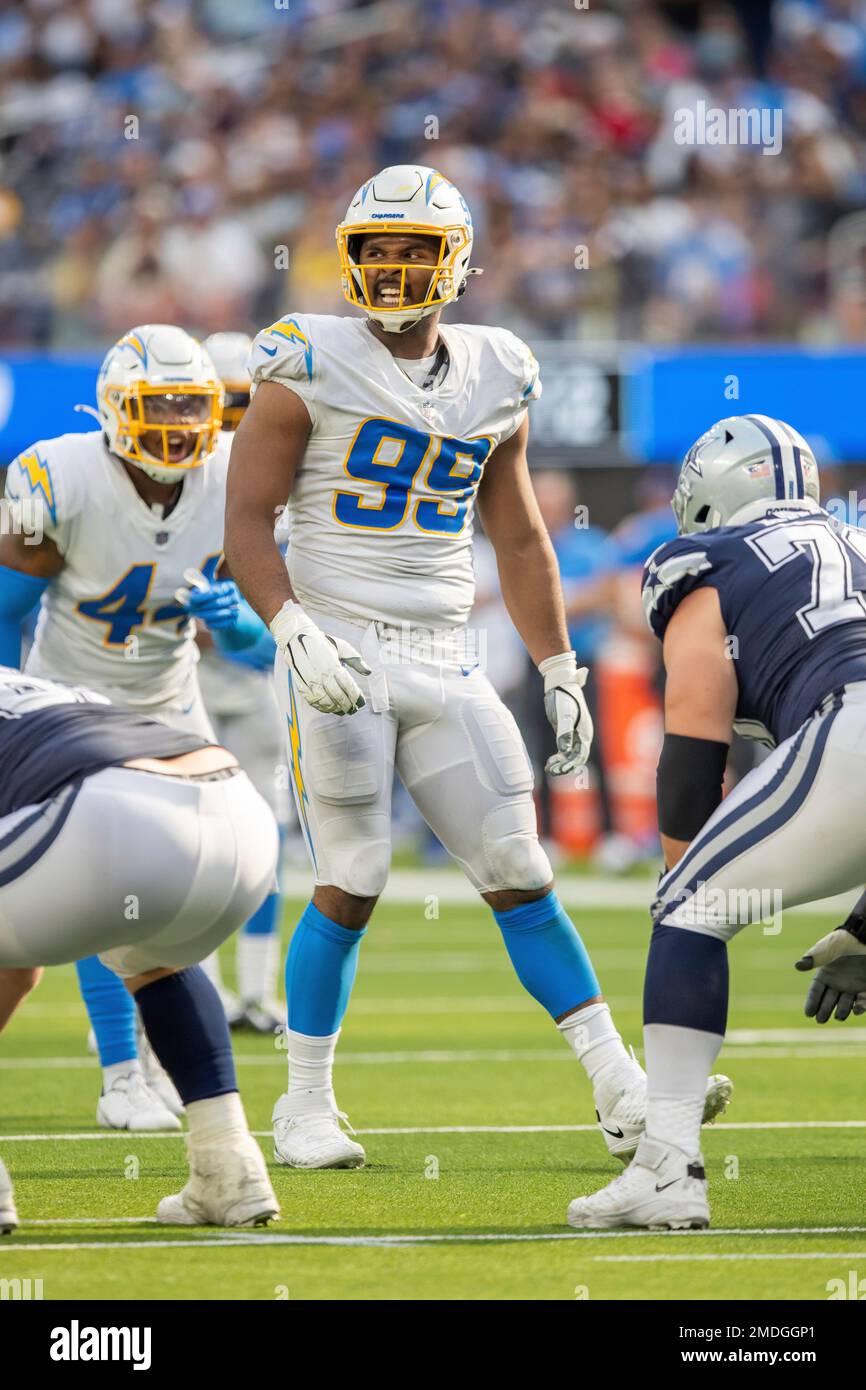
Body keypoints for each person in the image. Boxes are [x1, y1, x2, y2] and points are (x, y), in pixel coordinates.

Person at [224, 164, 731, 1171]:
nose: (393, 267)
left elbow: (520, 536)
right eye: (375, 250)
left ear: (452, 259)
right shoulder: (304, 357)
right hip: (338, 646)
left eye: (414, 249)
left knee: (517, 866)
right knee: (355, 871)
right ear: (348, 259)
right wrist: (290, 629)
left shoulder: (498, 367)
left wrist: (555, 667)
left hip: (445, 652)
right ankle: (303, 1104)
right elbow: (243, 519)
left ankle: (617, 1086)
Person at [568, 413, 866, 1231]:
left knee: (691, 908)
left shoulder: (710, 561)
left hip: (855, 722)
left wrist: (678, 880)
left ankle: (666, 1167)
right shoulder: (855, 541)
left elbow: (694, 747)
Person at [0, 323, 270, 1130]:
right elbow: (7, 605)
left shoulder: (235, 477)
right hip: (71, 698)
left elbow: (260, 647)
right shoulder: (63, 473)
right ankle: (121, 1073)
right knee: (102, 886)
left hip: (169, 697)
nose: (181, 422)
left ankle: (175, 1079)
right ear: (116, 410)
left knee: (186, 890)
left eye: (194, 404)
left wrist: (237, 622)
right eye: (162, 405)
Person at [0, 667, 279, 1232]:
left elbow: (18, 971)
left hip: (107, 812)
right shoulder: (39, 688)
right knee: (154, 959)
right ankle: (228, 1164)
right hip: (237, 816)